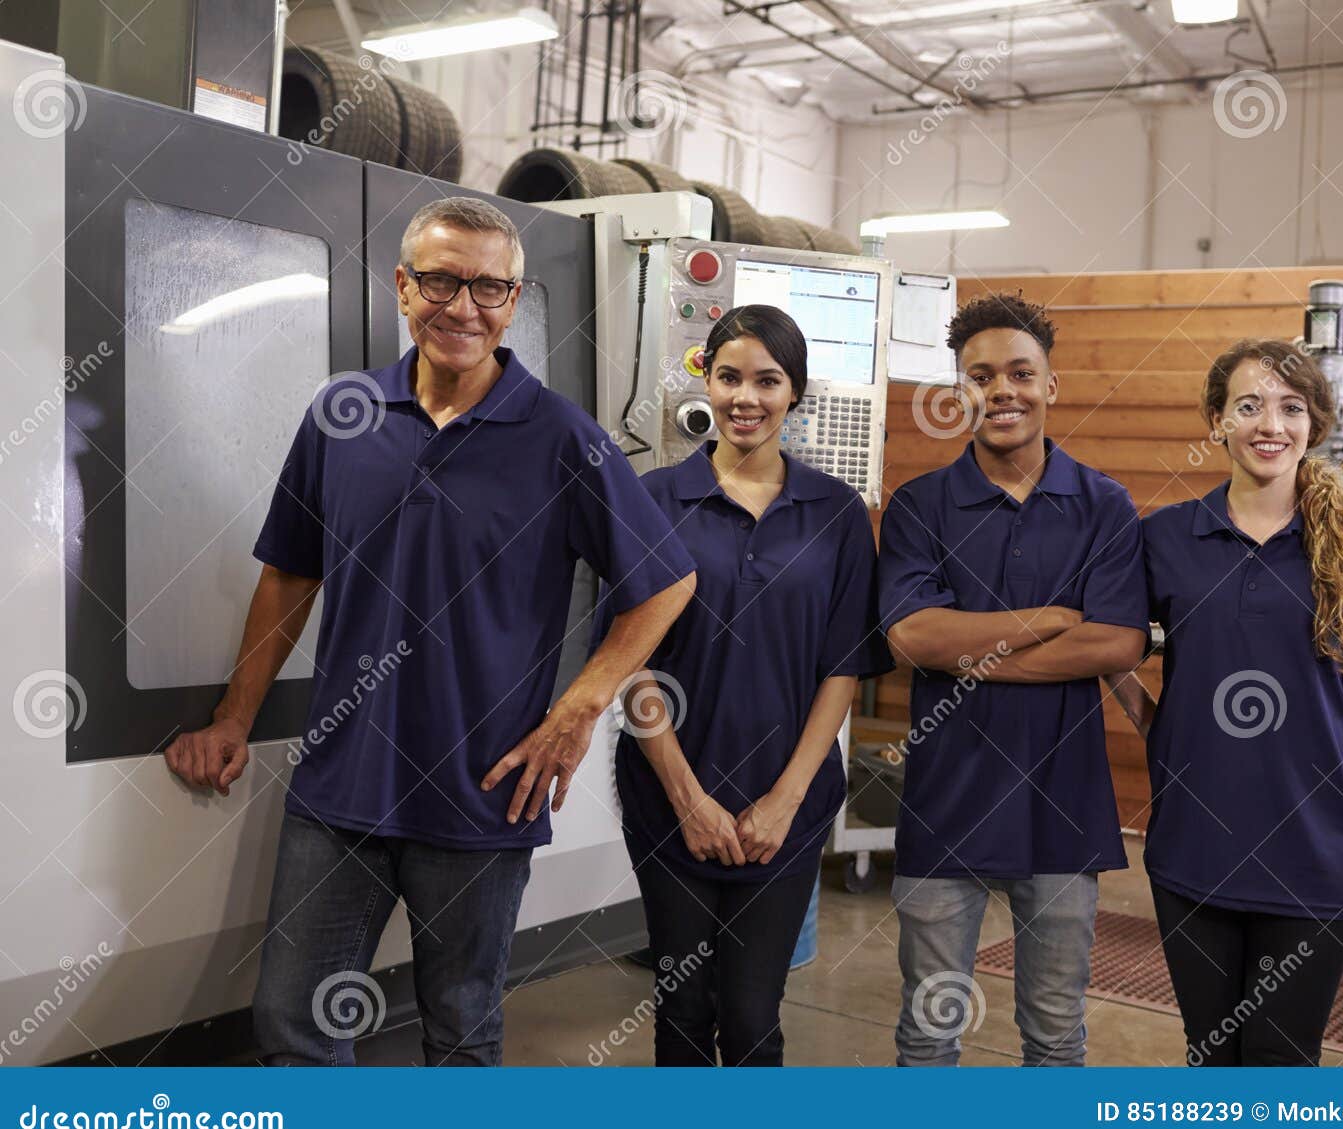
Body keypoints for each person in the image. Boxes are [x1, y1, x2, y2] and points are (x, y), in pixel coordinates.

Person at [163, 196, 697, 1065]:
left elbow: (667, 581)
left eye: (490, 287)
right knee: (291, 1027)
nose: (465, 306)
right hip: (341, 788)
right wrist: (233, 717)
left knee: (459, 1034)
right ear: (405, 288)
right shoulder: (344, 415)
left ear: (513, 299)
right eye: (443, 281)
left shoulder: (561, 435)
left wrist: (581, 707)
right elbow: (290, 573)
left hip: (483, 792)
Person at [1112, 338, 1343, 1066]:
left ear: (1313, 424)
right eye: (1248, 405)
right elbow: (1109, 644)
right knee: (1210, 1056)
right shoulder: (1164, 538)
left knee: (1281, 1063)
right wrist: (1153, 721)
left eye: (1289, 407)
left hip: (1316, 861)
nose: (1269, 424)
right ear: (1216, 419)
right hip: (1193, 851)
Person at [596, 304, 892, 1066]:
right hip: (669, 795)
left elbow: (844, 665)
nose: (745, 397)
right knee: (683, 1008)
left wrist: (787, 799)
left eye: (768, 380)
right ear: (707, 380)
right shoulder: (652, 500)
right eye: (729, 376)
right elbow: (631, 662)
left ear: (795, 393)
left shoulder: (836, 515)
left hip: (786, 804)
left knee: (753, 1012)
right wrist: (688, 799)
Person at [877, 292, 1148, 1066]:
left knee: (1056, 1034)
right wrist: (1056, 618)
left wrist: (977, 647)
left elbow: (1118, 642)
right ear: (959, 390)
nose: (1002, 391)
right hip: (946, 800)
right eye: (980, 375)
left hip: (1065, 805)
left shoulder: (1104, 505)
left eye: (1021, 373)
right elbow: (915, 637)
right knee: (928, 1032)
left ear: (1051, 386)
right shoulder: (920, 506)